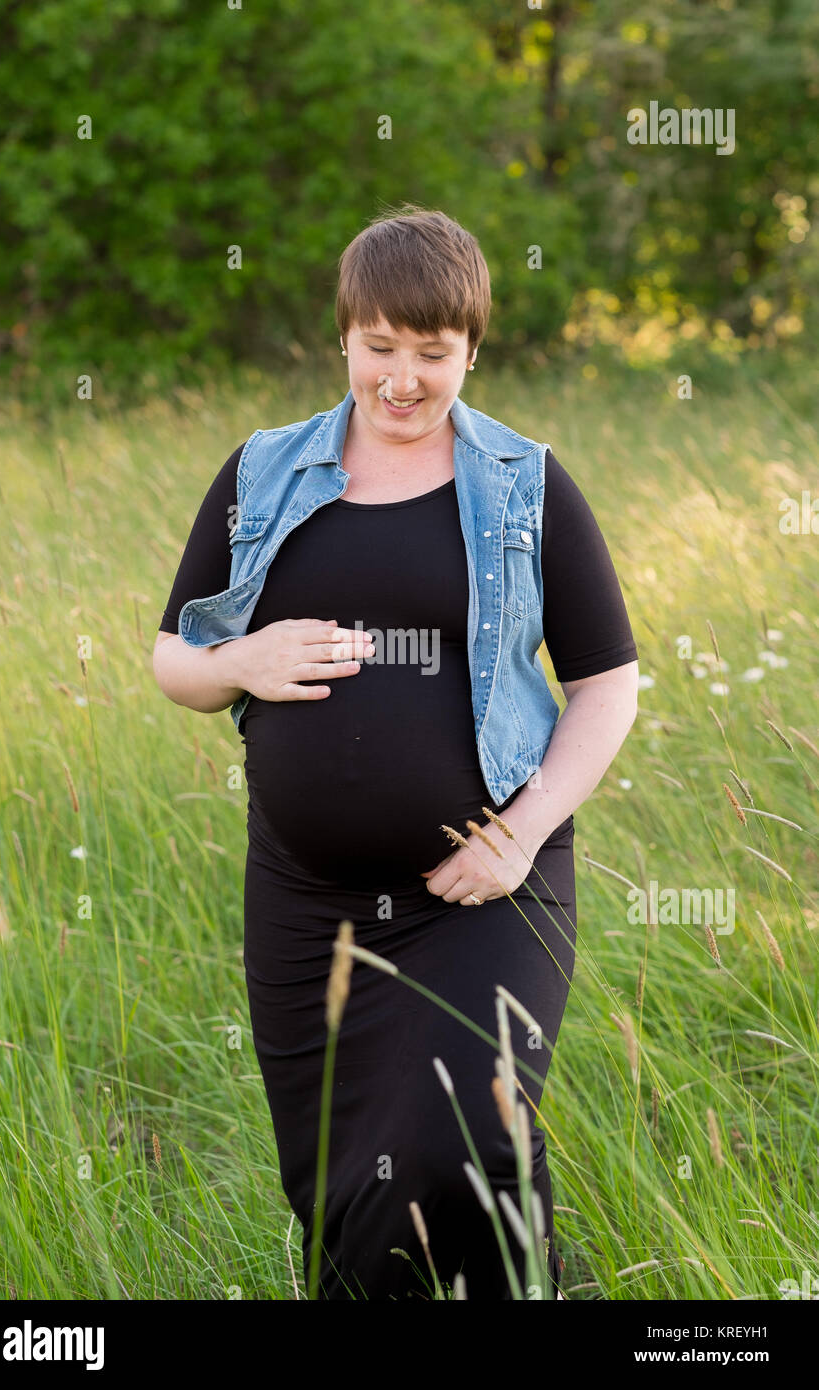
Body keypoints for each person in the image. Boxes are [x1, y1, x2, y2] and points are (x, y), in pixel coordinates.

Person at [152, 205, 639, 1300]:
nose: (404, 379)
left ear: (471, 348)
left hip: (482, 892)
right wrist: (244, 658)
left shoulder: (526, 483)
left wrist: (520, 835)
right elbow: (174, 662)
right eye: (381, 347)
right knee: (343, 1195)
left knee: (462, 1134)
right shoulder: (261, 473)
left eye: (433, 353)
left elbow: (606, 680)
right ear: (343, 338)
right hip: (302, 897)